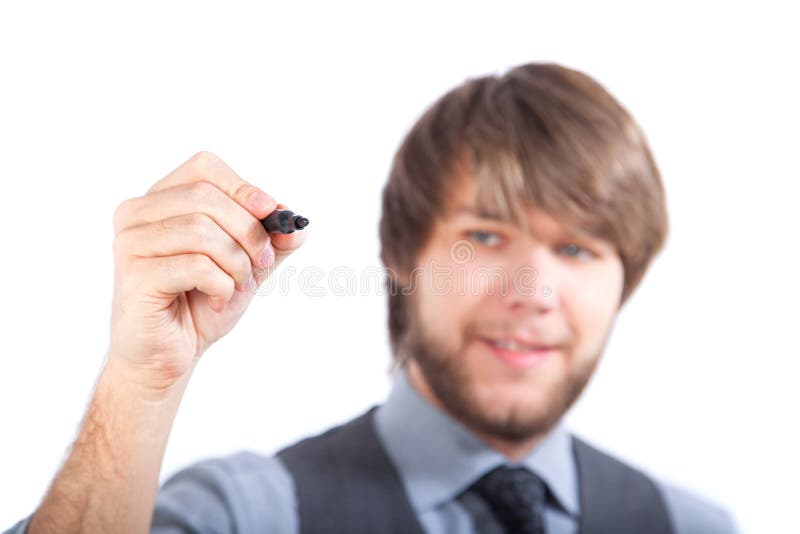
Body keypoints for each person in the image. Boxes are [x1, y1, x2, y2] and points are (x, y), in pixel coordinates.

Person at [5, 62, 738, 534]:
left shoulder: (694, 527)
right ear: (400, 253)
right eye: (484, 237)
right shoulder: (247, 515)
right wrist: (141, 384)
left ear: (626, 277)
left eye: (577, 249)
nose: (533, 292)